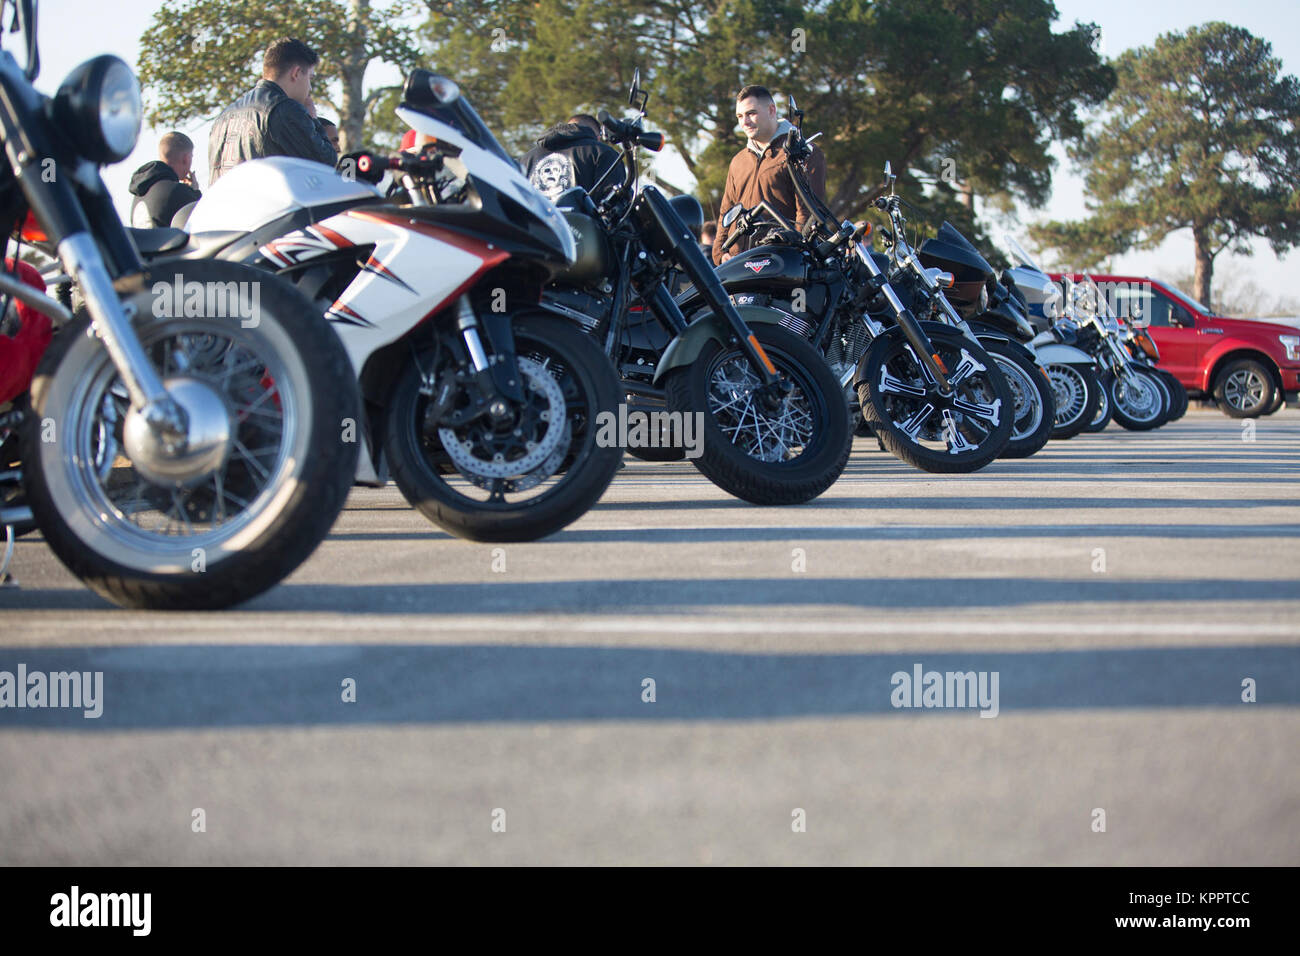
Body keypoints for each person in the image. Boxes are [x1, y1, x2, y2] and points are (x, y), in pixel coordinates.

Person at [711, 85, 826, 265]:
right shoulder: (738, 161)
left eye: (751, 113)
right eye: (740, 116)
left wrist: (795, 251)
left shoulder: (802, 153)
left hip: (777, 264)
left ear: (771, 110)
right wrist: (720, 252)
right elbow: (726, 210)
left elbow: (808, 212)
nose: (744, 122)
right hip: (737, 266)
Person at [208, 37, 337, 184]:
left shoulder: (222, 117)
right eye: (310, 78)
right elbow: (325, 164)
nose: (310, 88)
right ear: (296, 73)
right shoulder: (284, 108)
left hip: (222, 205)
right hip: (266, 205)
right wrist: (313, 119)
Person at [520, 113, 624, 201]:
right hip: (579, 224)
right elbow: (614, 203)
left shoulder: (525, 159)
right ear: (597, 137)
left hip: (531, 224)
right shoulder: (603, 152)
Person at [128, 131, 202, 229]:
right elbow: (202, 220)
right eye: (191, 156)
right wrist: (194, 192)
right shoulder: (178, 192)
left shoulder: (139, 193)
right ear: (186, 158)